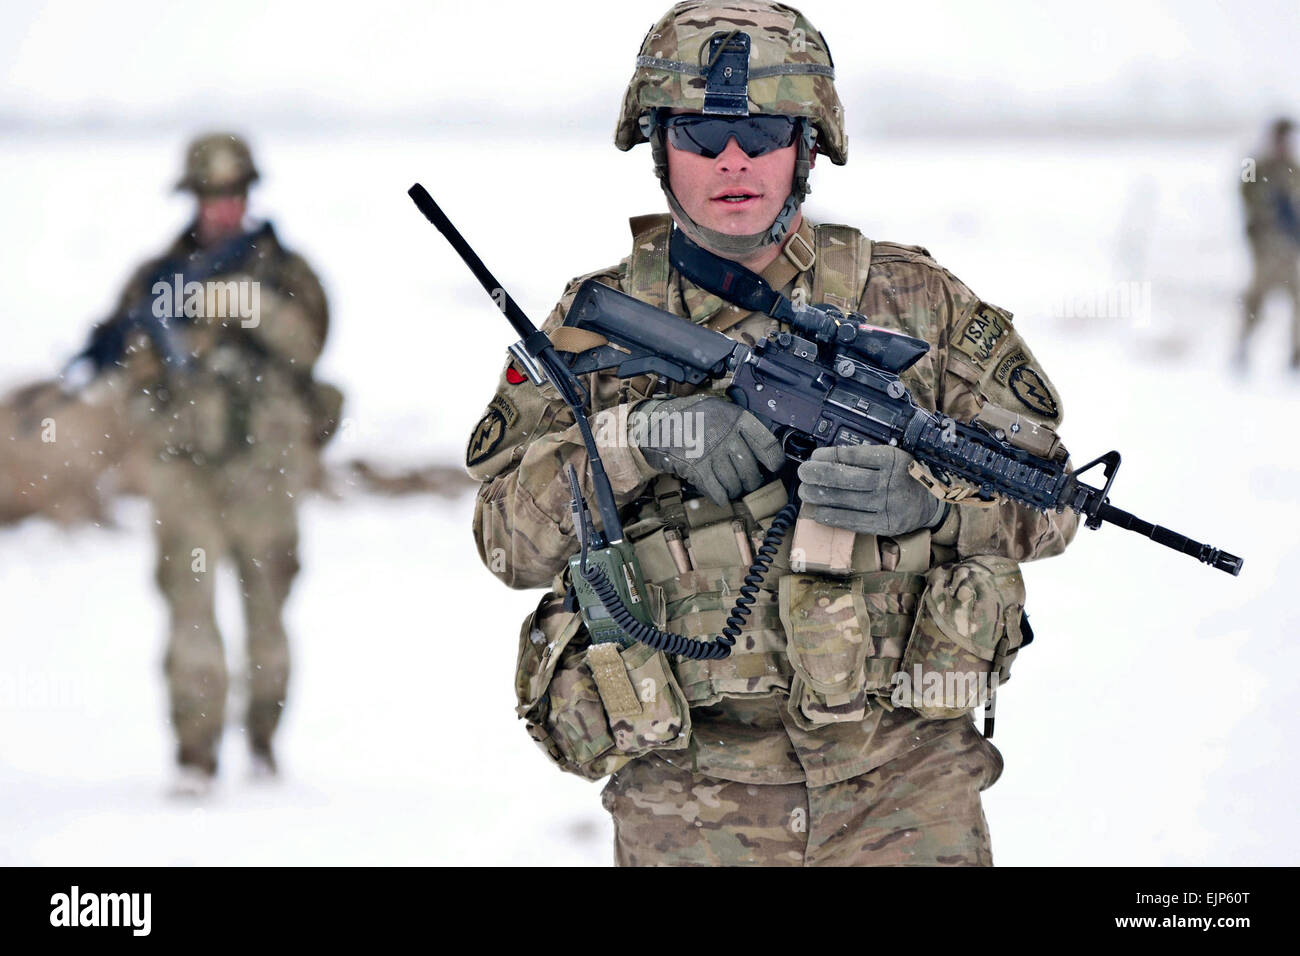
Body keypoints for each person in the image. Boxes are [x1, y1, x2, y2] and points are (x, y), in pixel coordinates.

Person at [467, 0, 1078, 865]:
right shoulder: (591, 323)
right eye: (700, 134)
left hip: (904, 787)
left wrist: (930, 508)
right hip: (686, 797)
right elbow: (505, 544)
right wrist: (639, 437)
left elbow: (1053, 507)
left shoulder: (918, 303)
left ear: (809, 145)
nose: (732, 161)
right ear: (656, 147)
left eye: (762, 133)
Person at [73, 133, 340, 794]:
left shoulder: (285, 272)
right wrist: (143, 350)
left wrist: (241, 305)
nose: (222, 207)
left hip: (265, 478)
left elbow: (308, 347)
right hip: (185, 475)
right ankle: (195, 755)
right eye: (209, 195)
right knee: (190, 613)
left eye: (233, 193)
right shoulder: (157, 277)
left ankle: (261, 744)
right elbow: (124, 360)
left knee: (267, 618)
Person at [1239, 117, 1300, 370]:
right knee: (1255, 302)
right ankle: (1241, 348)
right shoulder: (1256, 164)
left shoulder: (1292, 167)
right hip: (1265, 249)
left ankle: (1296, 355)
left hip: (1288, 249)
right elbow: (1244, 189)